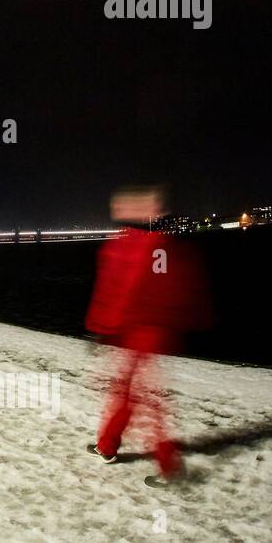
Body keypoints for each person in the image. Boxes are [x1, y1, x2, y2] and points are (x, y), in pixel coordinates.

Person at [85, 186, 211, 484]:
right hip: (156, 332)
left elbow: (118, 292)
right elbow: (180, 288)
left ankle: (168, 467)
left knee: (144, 399)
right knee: (131, 393)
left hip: (137, 333)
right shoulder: (165, 245)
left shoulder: (124, 246)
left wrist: (100, 329)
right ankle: (107, 446)